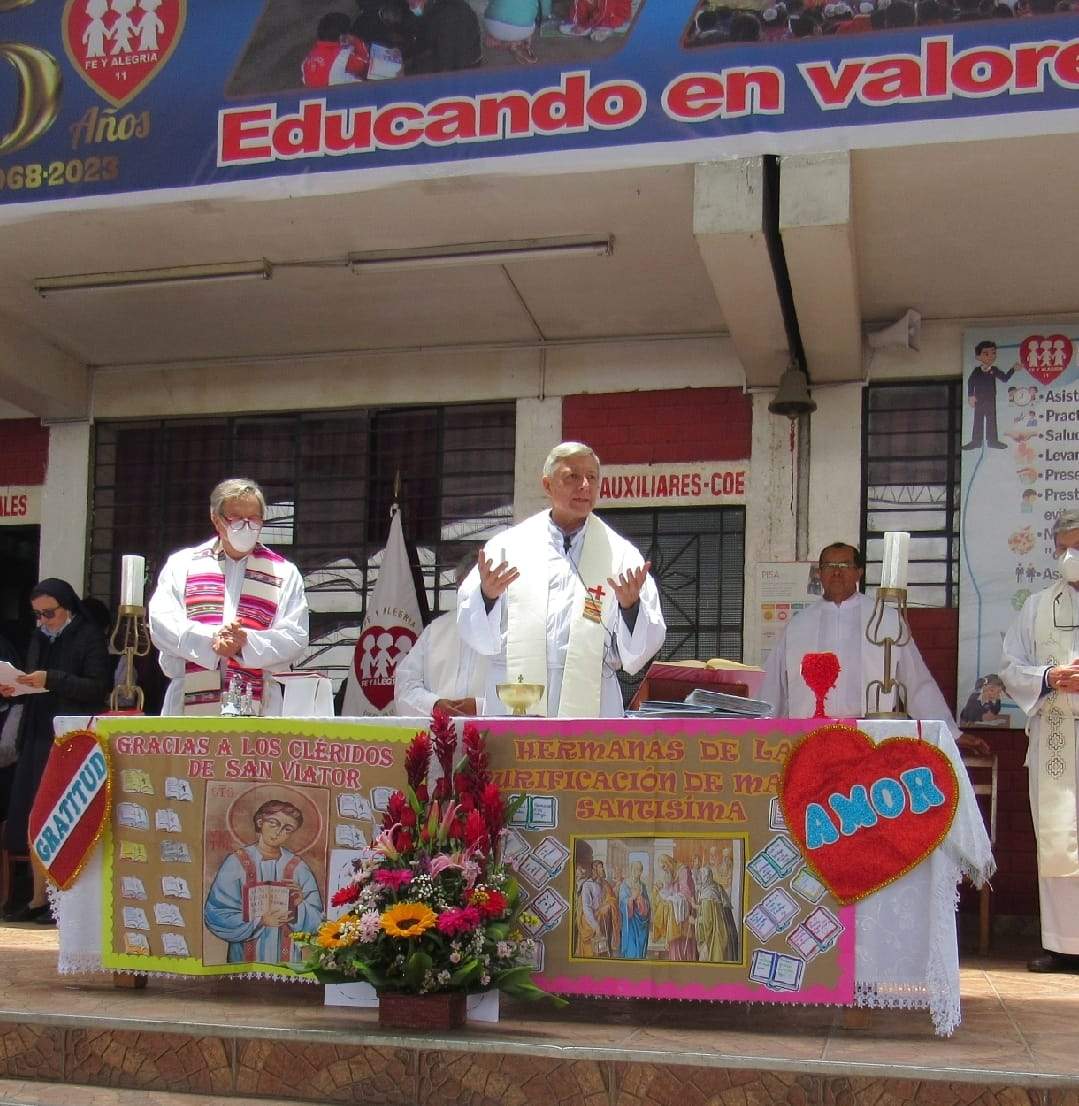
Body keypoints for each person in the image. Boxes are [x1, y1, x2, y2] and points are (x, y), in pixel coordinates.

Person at [457, 442, 665, 718]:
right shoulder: (507, 547)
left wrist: (630, 608)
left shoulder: (621, 555)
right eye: (573, 477)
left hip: (592, 700)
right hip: (518, 695)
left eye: (592, 477)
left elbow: (640, 648)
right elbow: (476, 633)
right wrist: (487, 597)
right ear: (547, 484)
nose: (585, 486)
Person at [760, 541, 960, 736]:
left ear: (859, 572)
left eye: (845, 565)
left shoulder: (885, 619)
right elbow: (773, 683)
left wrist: (949, 731)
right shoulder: (799, 625)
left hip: (869, 732)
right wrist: (755, 730)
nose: (837, 572)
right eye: (829, 566)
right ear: (819, 573)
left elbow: (916, 681)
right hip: (810, 732)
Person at [148, 478, 310, 717]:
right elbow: (161, 623)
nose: (246, 526)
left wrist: (245, 643)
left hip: (260, 704)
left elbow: (295, 637)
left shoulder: (284, 572)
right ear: (216, 519)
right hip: (188, 700)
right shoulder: (183, 564)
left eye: (253, 519)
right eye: (236, 518)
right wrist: (211, 640)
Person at [0, 579, 112, 923]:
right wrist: (16, 686)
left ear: (68, 607)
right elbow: (34, 679)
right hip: (38, 732)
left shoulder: (87, 636)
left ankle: (62, 898)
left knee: (63, 814)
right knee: (36, 815)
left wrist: (51, 678)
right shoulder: (39, 636)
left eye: (50, 613)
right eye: (38, 615)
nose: (44, 621)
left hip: (71, 738)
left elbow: (97, 686)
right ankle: (37, 897)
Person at [999, 509, 1079, 972]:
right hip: (1055, 738)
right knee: (1059, 837)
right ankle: (1063, 944)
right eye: (1062, 547)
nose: (1070, 556)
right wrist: (1049, 676)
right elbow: (1011, 667)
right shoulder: (1037, 606)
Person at [203, 798, 324, 964]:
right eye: (274, 823)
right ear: (260, 822)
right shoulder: (236, 862)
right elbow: (216, 913)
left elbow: (318, 923)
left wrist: (299, 905)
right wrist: (260, 921)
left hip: (288, 962)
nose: (278, 832)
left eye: (287, 829)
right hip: (243, 961)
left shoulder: (299, 868)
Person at [393, 556, 489, 717]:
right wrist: (434, 705)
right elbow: (405, 686)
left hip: (493, 738)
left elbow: (527, 693)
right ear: (458, 585)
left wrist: (482, 708)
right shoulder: (435, 630)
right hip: (439, 736)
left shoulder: (512, 631)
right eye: (465, 586)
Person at [962, 340, 1015, 451]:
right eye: (986, 354)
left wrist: (1013, 369)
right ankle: (976, 441)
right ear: (978, 356)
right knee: (978, 419)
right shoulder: (976, 371)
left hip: (991, 399)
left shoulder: (994, 370)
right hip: (979, 399)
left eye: (993, 353)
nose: (991, 356)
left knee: (991, 420)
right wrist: (971, 395)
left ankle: (992, 441)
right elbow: (970, 382)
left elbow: (1004, 378)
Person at [617, 859, 651, 958]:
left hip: (641, 922)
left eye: (640, 870)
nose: (638, 872)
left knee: (640, 947)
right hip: (630, 921)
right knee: (631, 948)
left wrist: (642, 901)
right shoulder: (625, 885)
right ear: (631, 870)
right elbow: (622, 902)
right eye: (635, 869)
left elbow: (648, 904)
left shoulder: (643, 886)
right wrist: (632, 898)